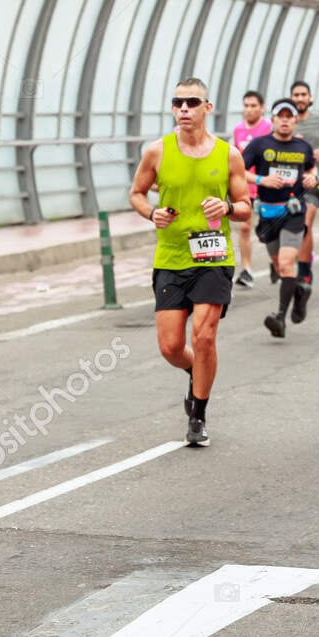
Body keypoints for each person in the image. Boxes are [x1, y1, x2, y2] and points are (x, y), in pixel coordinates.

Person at [130, 78, 249, 444]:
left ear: (207, 108)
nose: (184, 109)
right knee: (169, 346)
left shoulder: (228, 154)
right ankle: (195, 374)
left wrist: (228, 206)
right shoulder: (157, 152)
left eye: (192, 102)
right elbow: (135, 193)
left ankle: (198, 414)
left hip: (214, 256)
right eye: (178, 102)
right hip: (171, 257)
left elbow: (245, 207)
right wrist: (152, 213)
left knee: (204, 337)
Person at [240, 99, 315, 339]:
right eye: (280, 116)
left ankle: (280, 317)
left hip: (293, 213)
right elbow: (237, 170)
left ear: (295, 120)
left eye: (289, 116)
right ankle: (300, 293)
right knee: (281, 268)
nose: (284, 120)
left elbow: (311, 169)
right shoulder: (259, 144)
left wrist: (311, 178)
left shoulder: (303, 147)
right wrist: (261, 180)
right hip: (267, 215)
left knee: (285, 263)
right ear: (273, 120)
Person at [288, 80, 319, 289]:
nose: (299, 98)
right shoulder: (285, 121)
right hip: (289, 181)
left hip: (316, 180)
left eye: (303, 94)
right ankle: (287, 258)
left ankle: (304, 272)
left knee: (305, 223)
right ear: (291, 98)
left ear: (310, 98)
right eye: (296, 95)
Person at [231, 91, 273, 287]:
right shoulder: (238, 130)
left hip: (268, 186)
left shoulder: (269, 128)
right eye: (246, 105)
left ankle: (275, 260)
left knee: (269, 229)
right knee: (245, 227)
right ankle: (246, 270)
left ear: (262, 107)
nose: (248, 109)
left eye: (253, 106)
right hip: (246, 186)